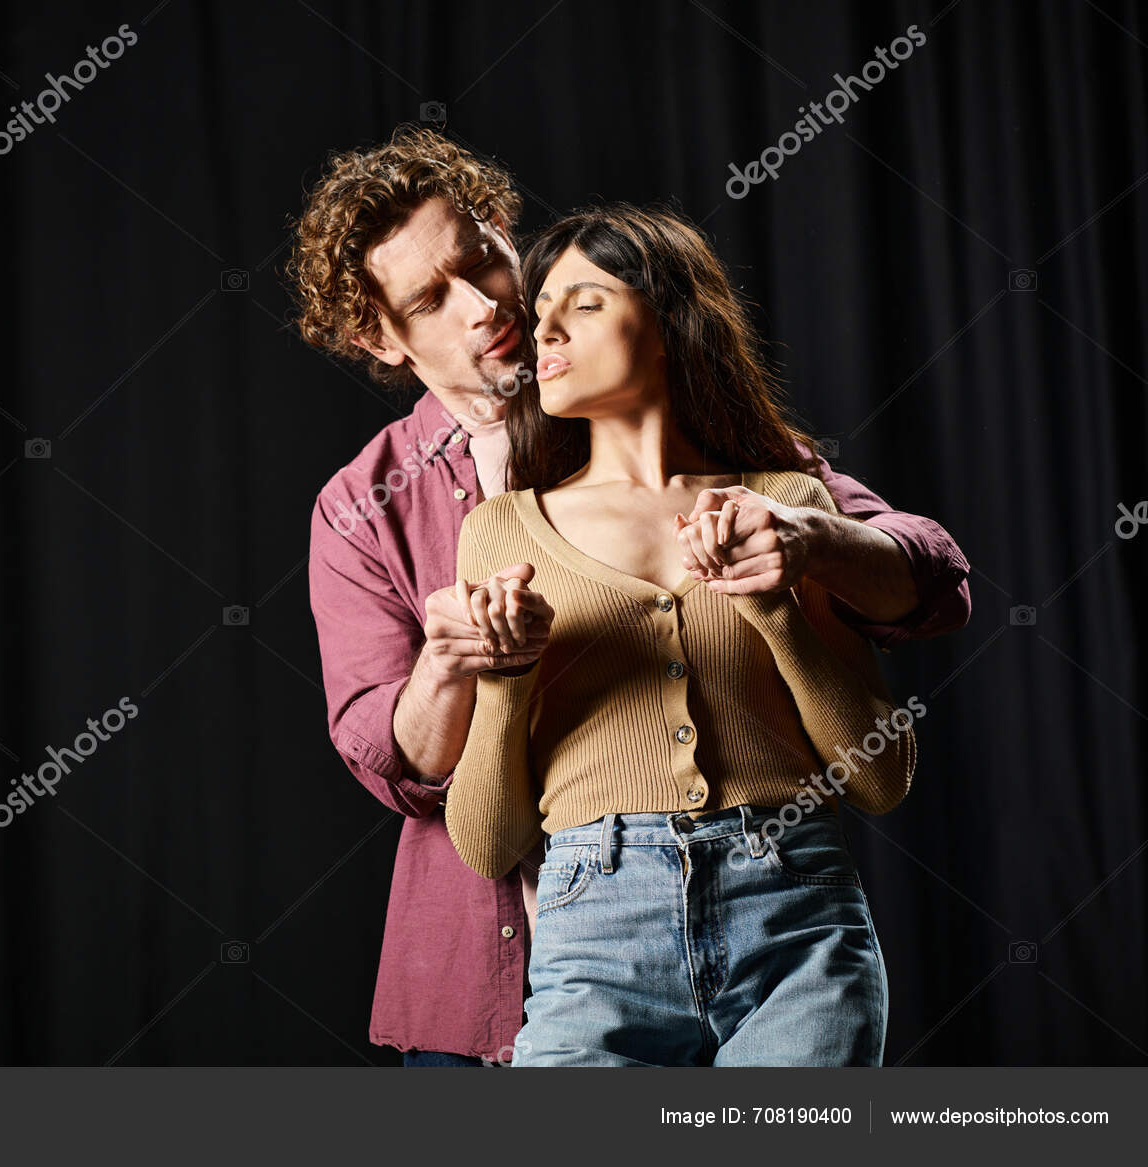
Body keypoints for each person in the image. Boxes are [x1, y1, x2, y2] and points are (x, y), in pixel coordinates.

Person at [292, 127, 971, 1066]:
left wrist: (812, 542)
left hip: (780, 915)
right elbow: (391, 763)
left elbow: (930, 579)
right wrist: (457, 666)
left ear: (503, 230)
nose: (485, 306)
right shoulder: (363, 507)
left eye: (481, 261)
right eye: (429, 299)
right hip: (488, 976)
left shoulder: (702, 437)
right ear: (379, 337)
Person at [445, 202, 925, 1066]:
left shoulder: (787, 502)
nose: (543, 329)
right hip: (596, 936)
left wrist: (775, 611)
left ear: (669, 322)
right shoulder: (501, 531)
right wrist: (506, 677)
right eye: (541, 307)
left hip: (800, 925)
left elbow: (881, 777)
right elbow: (487, 844)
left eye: (584, 303)